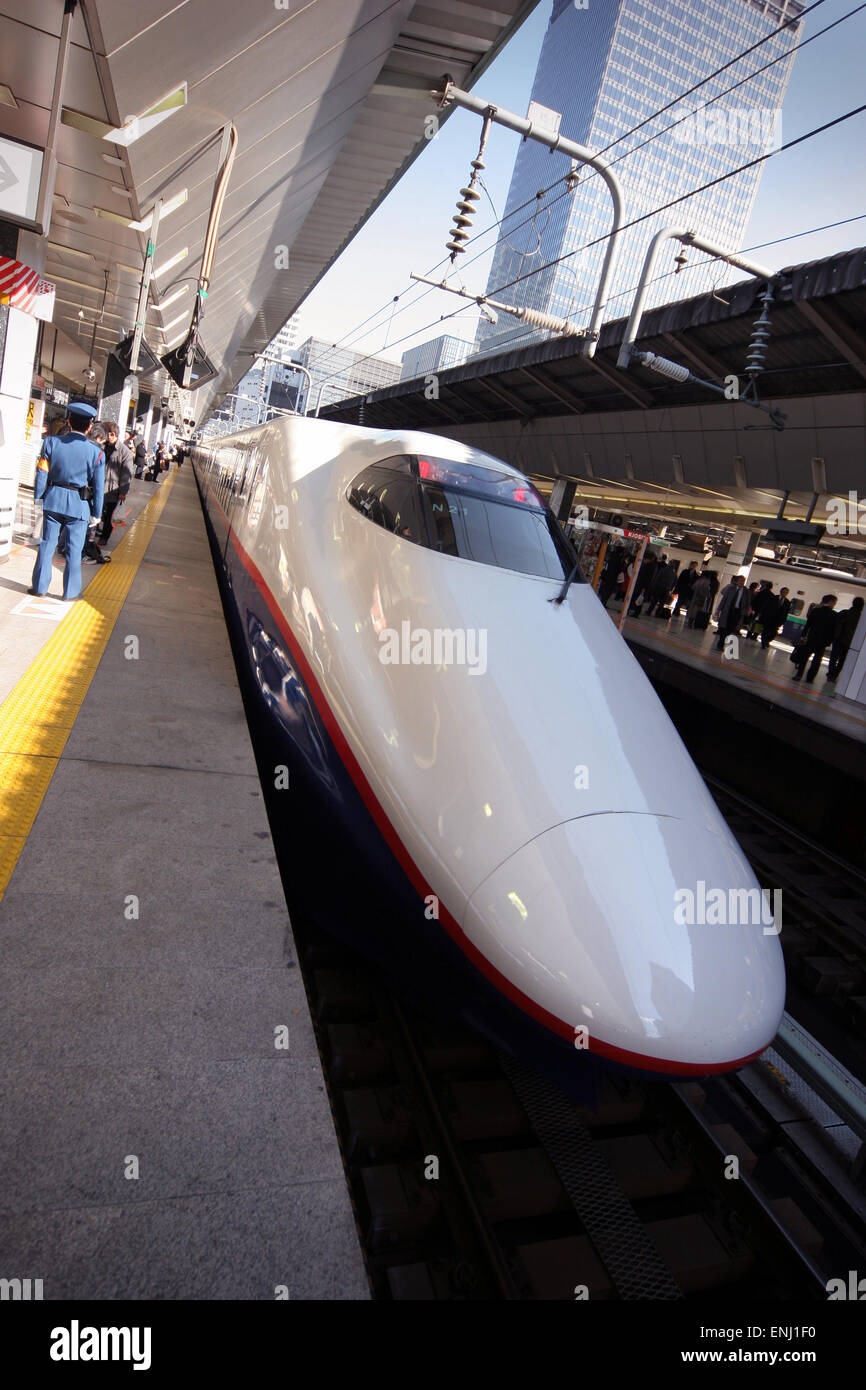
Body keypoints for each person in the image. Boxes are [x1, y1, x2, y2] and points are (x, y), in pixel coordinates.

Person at [30, 402, 105, 600]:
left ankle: (39, 588)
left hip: (53, 500)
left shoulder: (50, 443)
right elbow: (98, 487)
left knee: (46, 545)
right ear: (89, 427)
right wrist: (97, 513)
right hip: (79, 506)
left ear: (69, 421)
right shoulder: (97, 453)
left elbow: (41, 473)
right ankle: (70, 593)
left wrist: (38, 498)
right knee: (74, 550)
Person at [99, 421, 134, 547]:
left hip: (112, 489)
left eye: (107, 434)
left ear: (113, 434)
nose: (105, 437)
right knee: (96, 512)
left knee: (109, 515)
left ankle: (104, 537)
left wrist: (123, 492)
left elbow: (127, 474)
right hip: (98, 486)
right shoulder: (101, 446)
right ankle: (93, 533)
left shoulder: (125, 452)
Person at [792, 594, 838, 683]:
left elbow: (808, 625)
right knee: (817, 661)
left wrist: (803, 636)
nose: (834, 604)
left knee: (804, 658)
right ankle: (810, 679)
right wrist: (829, 641)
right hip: (823, 642)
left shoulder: (815, 611)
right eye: (834, 602)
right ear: (830, 602)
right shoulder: (834, 615)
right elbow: (833, 630)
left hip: (811, 639)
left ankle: (798, 675)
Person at [827, 596, 864, 682]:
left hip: (838, 639)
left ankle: (830, 674)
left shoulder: (844, 613)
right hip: (850, 642)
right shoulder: (862, 619)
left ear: (853, 603)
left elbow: (835, 625)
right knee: (842, 660)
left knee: (833, 657)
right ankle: (835, 675)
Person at [713, 574, 748, 651]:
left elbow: (747, 603)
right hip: (727, 610)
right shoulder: (731, 589)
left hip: (737, 612)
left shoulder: (746, 591)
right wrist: (719, 610)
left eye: (743, 581)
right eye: (740, 581)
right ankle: (720, 644)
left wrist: (745, 613)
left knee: (731, 628)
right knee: (724, 627)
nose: (741, 583)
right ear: (737, 581)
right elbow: (724, 599)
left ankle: (723, 639)